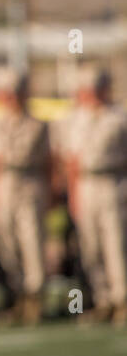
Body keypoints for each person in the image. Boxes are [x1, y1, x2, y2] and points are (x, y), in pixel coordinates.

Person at [0, 67, 51, 326]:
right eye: (6, 93)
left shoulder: (37, 124)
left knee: (32, 240)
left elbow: (48, 162)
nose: (10, 98)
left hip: (30, 182)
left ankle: (35, 296)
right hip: (3, 184)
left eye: (15, 93)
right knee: (6, 242)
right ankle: (16, 294)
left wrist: (48, 192)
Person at [64, 67, 127, 325]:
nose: (90, 94)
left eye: (95, 88)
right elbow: (71, 160)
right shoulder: (75, 119)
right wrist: (73, 194)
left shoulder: (119, 117)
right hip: (85, 184)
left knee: (116, 244)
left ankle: (121, 299)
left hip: (113, 182)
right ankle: (102, 299)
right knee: (91, 246)